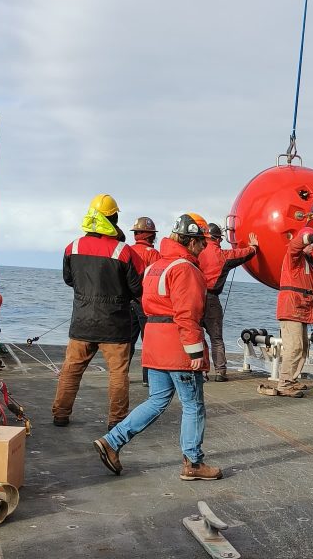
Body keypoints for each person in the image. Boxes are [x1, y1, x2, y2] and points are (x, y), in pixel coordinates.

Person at [93, 213, 222, 480]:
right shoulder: (186, 269)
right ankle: (194, 463)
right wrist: (196, 352)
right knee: (193, 404)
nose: (204, 247)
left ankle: (112, 441)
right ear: (191, 242)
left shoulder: (155, 266)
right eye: (201, 243)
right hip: (177, 345)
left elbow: (149, 306)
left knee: (157, 400)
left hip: (154, 342)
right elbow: (186, 315)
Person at [51, 194, 142, 428]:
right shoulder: (123, 251)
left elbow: (69, 279)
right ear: (114, 218)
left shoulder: (73, 246)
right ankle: (116, 421)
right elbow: (137, 288)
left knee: (71, 371)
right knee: (118, 375)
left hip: (82, 323)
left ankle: (60, 415)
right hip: (115, 325)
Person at [259, 231, 313, 398]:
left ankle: (292, 380)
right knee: (294, 347)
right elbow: (294, 244)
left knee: (302, 348)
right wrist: (311, 237)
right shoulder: (293, 257)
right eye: (311, 243)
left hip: (302, 309)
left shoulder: (308, 262)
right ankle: (285, 384)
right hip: (292, 309)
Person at [198, 223, 259, 381]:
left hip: (194, 298)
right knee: (216, 338)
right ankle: (220, 372)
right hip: (212, 299)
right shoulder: (221, 255)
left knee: (197, 336)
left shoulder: (197, 251)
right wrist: (253, 248)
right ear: (218, 238)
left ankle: (202, 371)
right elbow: (241, 255)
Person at [128, 216, 161, 382]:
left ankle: (121, 374)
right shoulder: (153, 254)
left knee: (128, 341)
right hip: (144, 303)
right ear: (150, 235)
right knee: (148, 341)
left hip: (126, 301)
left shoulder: (126, 250)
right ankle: (147, 378)